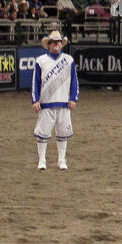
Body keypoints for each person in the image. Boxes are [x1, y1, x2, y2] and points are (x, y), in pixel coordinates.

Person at [31, 30, 79, 171]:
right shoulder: (40, 61)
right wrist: (35, 100)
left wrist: (73, 98)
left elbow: (74, 81)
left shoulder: (68, 60)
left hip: (64, 103)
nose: (56, 44)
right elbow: (36, 82)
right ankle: (42, 160)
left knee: (63, 132)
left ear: (61, 44)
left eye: (58, 42)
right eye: (53, 42)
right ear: (49, 44)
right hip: (46, 103)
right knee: (43, 133)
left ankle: (61, 159)